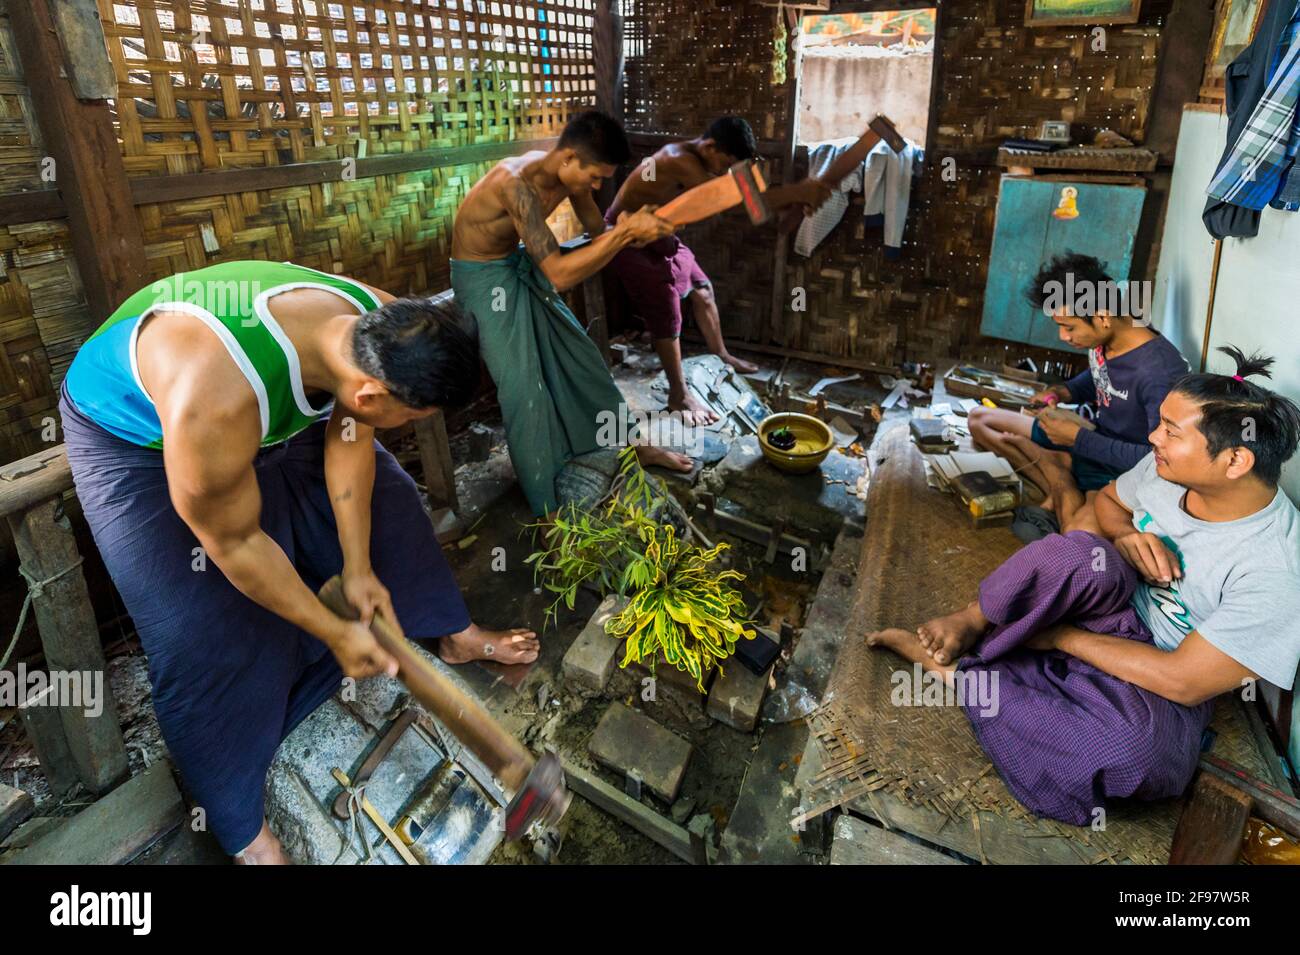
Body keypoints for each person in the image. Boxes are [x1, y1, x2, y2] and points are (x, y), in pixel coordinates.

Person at [61, 260, 538, 863]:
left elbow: (349, 439)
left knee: (392, 511)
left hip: (259, 407)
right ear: (373, 395)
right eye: (415, 419)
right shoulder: (213, 400)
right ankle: (244, 831)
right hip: (136, 433)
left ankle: (455, 637)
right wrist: (333, 629)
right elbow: (233, 545)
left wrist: (359, 568)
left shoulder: (378, 323)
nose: (417, 429)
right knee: (201, 627)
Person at [868, 346, 1300, 825]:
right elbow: (1108, 503)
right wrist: (1125, 535)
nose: (1153, 437)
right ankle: (973, 620)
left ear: (1235, 460)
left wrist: (1062, 637)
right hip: (1115, 606)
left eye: (1170, 432)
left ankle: (964, 677)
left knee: (1138, 752)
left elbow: (1182, 681)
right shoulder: (1166, 471)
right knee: (1077, 550)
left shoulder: (1277, 571)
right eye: (1159, 422)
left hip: (1159, 672)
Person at [450, 110, 693, 516]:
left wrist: (635, 225)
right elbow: (560, 275)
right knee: (524, 391)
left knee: (582, 359)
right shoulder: (514, 185)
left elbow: (599, 230)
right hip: (482, 279)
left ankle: (631, 445)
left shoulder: (570, 177)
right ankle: (548, 510)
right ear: (567, 159)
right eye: (595, 177)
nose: (597, 186)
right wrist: (626, 234)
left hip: (518, 265)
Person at [604, 116, 833, 425]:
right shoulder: (678, 159)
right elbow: (745, 204)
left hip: (658, 234)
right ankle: (678, 396)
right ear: (710, 146)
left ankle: (722, 355)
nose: (725, 172)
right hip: (625, 236)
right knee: (666, 310)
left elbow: (754, 201)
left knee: (703, 289)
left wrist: (795, 199)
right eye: (724, 164)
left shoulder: (700, 156)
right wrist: (798, 192)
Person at [968, 252, 1187, 528]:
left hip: (1118, 467)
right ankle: (1059, 469)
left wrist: (1077, 440)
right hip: (1089, 436)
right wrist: (1062, 393)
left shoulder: (1159, 372)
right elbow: (1099, 377)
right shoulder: (1107, 339)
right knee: (979, 420)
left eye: (1068, 327)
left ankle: (1056, 473)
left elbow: (1155, 458)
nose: (1063, 336)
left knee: (1075, 531)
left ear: (1103, 316)